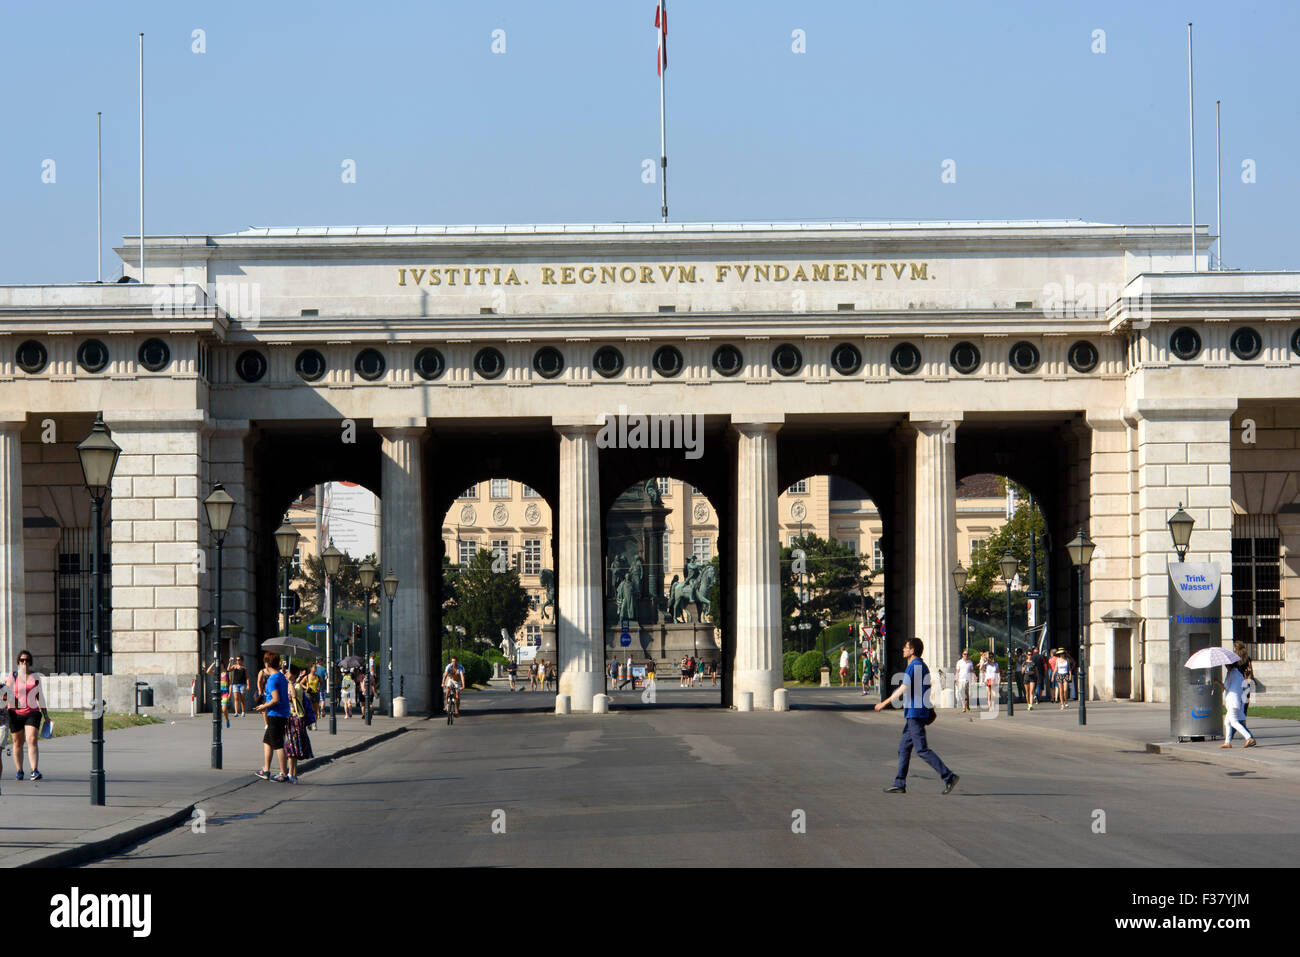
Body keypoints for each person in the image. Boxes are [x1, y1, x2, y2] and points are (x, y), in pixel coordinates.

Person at [874, 637, 958, 795]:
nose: (903, 649)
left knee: (921, 749)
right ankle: (899, 783)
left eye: (906, 647)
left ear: (912, 650)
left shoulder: (913, 666)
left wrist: (884, 703)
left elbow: (903, 688)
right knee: (903, 748)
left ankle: (948, 776)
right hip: (917, 712)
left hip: (915, 713)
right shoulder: (922, 666)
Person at [6, 651, 46, 781]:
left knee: (32, 739)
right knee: (17, 742)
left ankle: (34, 770)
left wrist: (46, 714)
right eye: (22, 660)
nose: (25, 662)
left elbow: (40, 696)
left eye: (27, 660)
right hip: (14, 713)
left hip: (32, 712)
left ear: (30, 662)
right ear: (18, 662)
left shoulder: (35, 677)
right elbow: (5, 694)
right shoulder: (13, 676)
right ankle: (19, 770)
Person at [255, 653, 291, 782]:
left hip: (276, 714)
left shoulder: (272, 679)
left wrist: (263, 706)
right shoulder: (281, 676)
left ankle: (283, 773)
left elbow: (276, 698)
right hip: (281, 713)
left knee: (278, 744)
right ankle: (266, 770)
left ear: (267, 664)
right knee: (267, 741)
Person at [1214, 660, 1255, 748]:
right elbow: (1246, 687)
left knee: (1234, 722)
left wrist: (1217, 682)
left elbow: (1225, 687)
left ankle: (1248, 738)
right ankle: (1227, 742)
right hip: (1237, 702)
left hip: (1232, 701)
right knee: (1227, 722)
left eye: (1226, 665)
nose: (1225, 667)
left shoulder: (1230, 674)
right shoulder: (1239, 674)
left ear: (1229, 666)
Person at [283, 664, 313, 783]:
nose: (286, 674)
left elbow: (294, 697)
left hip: (295, 719)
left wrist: (290, 684)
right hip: (289, 719)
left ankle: (292, 773)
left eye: (288, 672)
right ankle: (293, 774)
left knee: (292, 748)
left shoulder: (297, 686)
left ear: (294, 674)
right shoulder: (289, 686)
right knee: (292, 749)